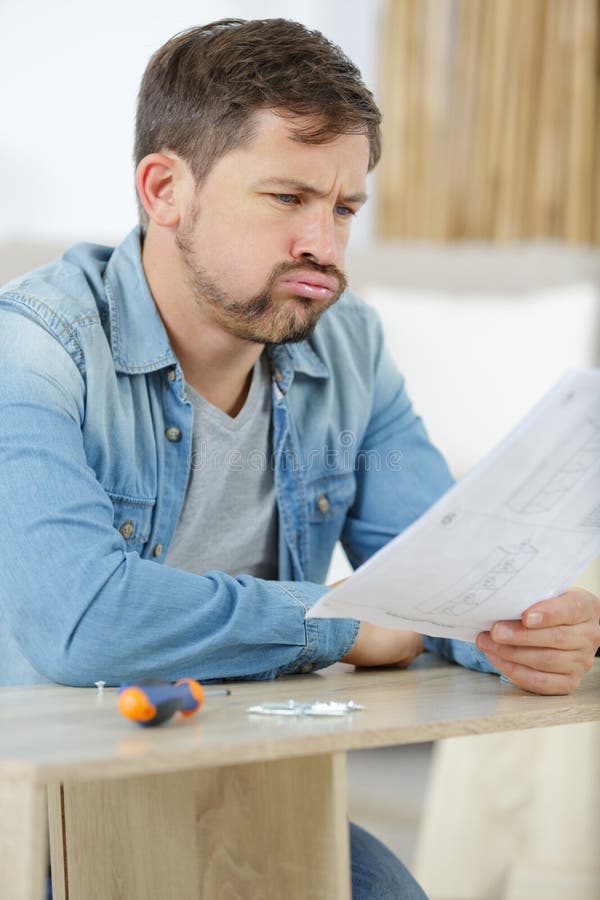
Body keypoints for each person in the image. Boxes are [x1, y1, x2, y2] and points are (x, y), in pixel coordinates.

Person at [1, 18, 598, 900]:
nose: (324, 245)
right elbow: (82, 621)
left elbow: (444, 584)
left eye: (345, 208)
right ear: (165, 189)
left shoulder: (346, 346)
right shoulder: (35, 346)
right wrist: (347, 624)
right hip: (43, 806)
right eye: (287, 199)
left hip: (250, 780)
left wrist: (526, 633)